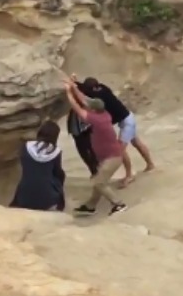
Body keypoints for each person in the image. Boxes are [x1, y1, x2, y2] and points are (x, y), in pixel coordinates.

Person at [69, 74, 156, 186]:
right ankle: (150, 164)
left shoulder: (100, 96)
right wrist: (75, 82)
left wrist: (73, 87)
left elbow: (83, 98)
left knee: (120, 150)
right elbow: (84, 89)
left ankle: (129, 175)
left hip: (126, 123)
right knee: (136, 142)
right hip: (128, 118)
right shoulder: (102, 87)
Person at [64, 80, 128, 216]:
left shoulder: (94, 120)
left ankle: (118, 204)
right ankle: (90, 206)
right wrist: (74, 87)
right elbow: (85, 100)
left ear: (93, 109)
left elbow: (76, 106)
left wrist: (69, 92)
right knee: (99, 182)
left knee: (99, 183)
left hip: (112, 158)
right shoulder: (105, 114)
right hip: (111, 156)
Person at [10, 121, 67, 212]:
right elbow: (58, 173)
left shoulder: (26, 146)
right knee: (60, 176)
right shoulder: (55, 152)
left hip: (24, 196)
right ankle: (59, 205)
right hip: (47, 199)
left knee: (27, 177)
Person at [67, 108, 99, 177]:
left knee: (89, 150)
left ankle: (96, 169)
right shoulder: (75, 109)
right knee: (85, 152)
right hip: (78, 132)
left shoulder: (83, 106)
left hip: (84, 131)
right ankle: (94, 170)